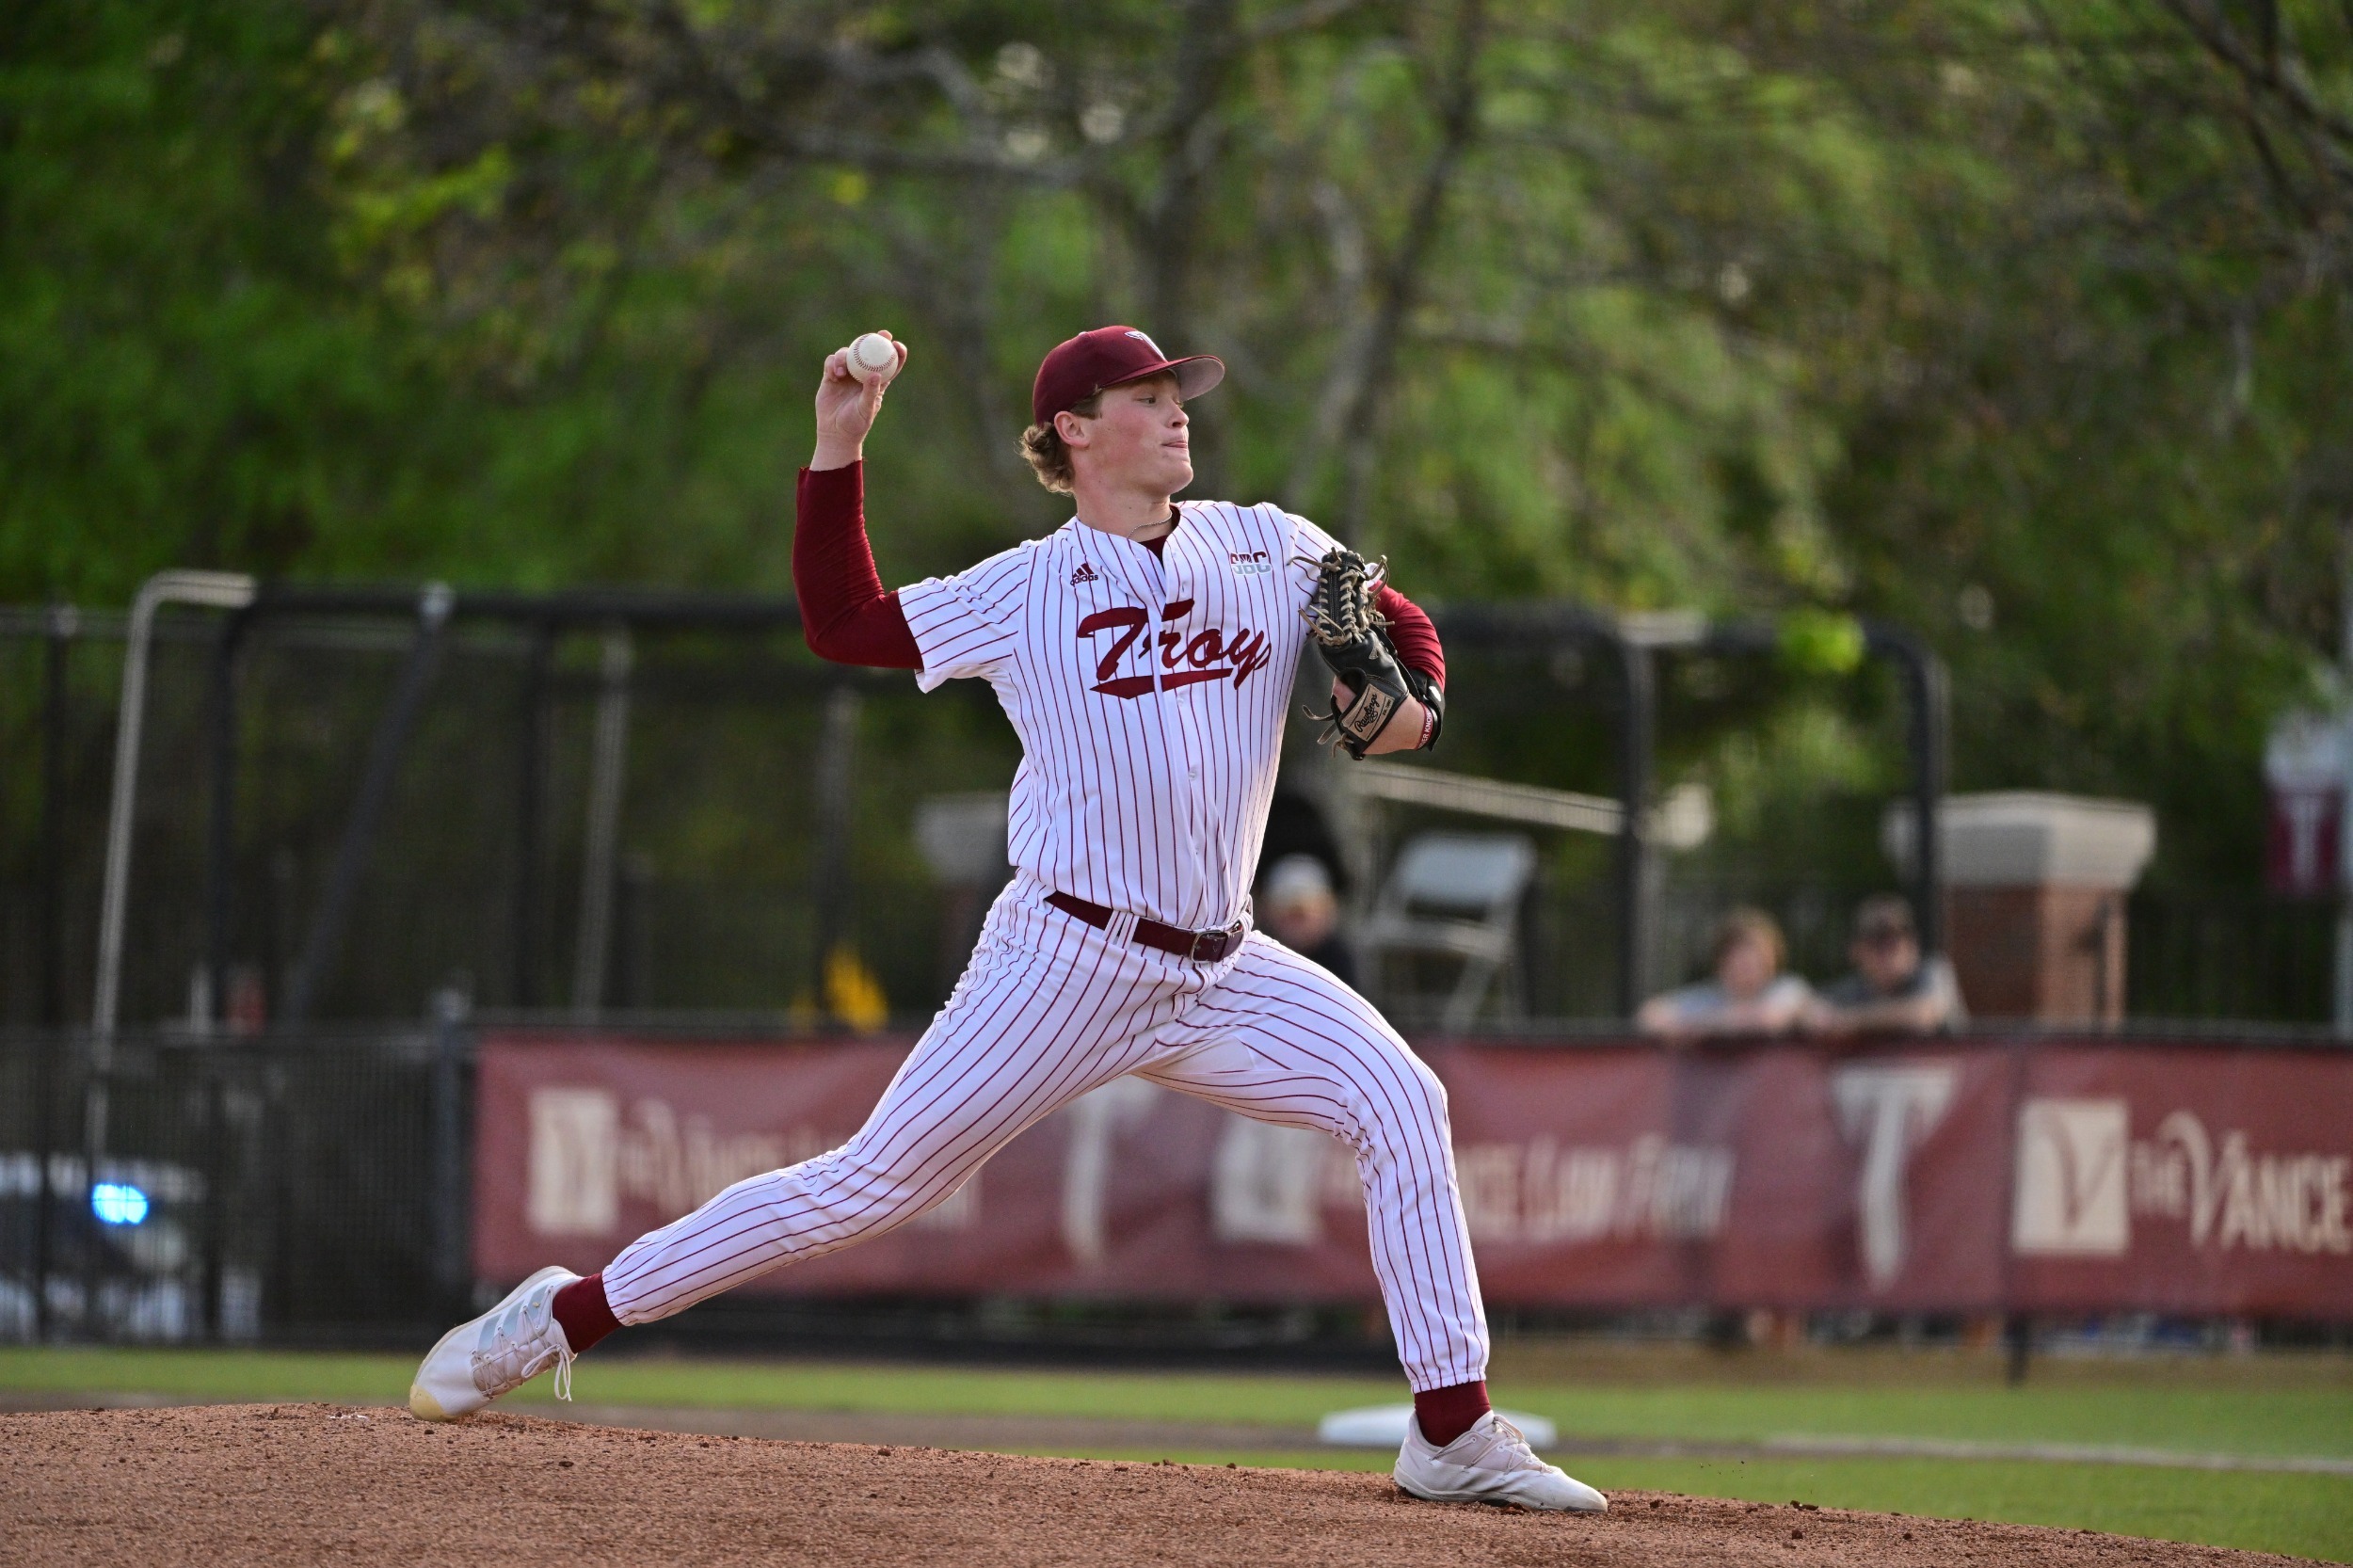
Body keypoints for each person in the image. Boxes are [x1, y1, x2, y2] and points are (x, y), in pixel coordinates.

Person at [408, 325, 1606, 1512]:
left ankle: (1449, 1432)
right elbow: (843, 622)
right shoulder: (1025, 588)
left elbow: (1397, 627)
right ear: (1074, 432)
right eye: (1146, 394)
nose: (1178, 408)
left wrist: (1415, 705)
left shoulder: (1269, 546)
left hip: (1225, 964)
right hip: (1064, 960)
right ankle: (556, 1315)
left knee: (1403, 1098)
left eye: (1178, 390)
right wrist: (838, 447)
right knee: (866, 1186)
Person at [1636, 906, 1812, 1040]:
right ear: (1722, 962)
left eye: (1758, 959)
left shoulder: (1787, 988)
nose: (1750, 968)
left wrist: (1699, 1028)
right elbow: (1650, 1016)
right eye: (1742, 960)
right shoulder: (1708, 997)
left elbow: (1769, 1019)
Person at [1802, 894, 1965, 1035]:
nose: (1889, 950)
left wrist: (1850, 1022)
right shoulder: (1850, 990)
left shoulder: (1933, 971)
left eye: (1899, 937)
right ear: (1855, 950)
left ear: (1913, 945)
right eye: (1878, 940)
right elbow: (1812, 1011)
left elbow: (1925, 1014)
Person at [1260, 853, 1356, 987]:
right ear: (1268, 911)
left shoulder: (1340, 963)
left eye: (1302, 915)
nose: (1296, 926)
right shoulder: (1256, 960)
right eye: (1289, 914)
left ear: (1327, 910)